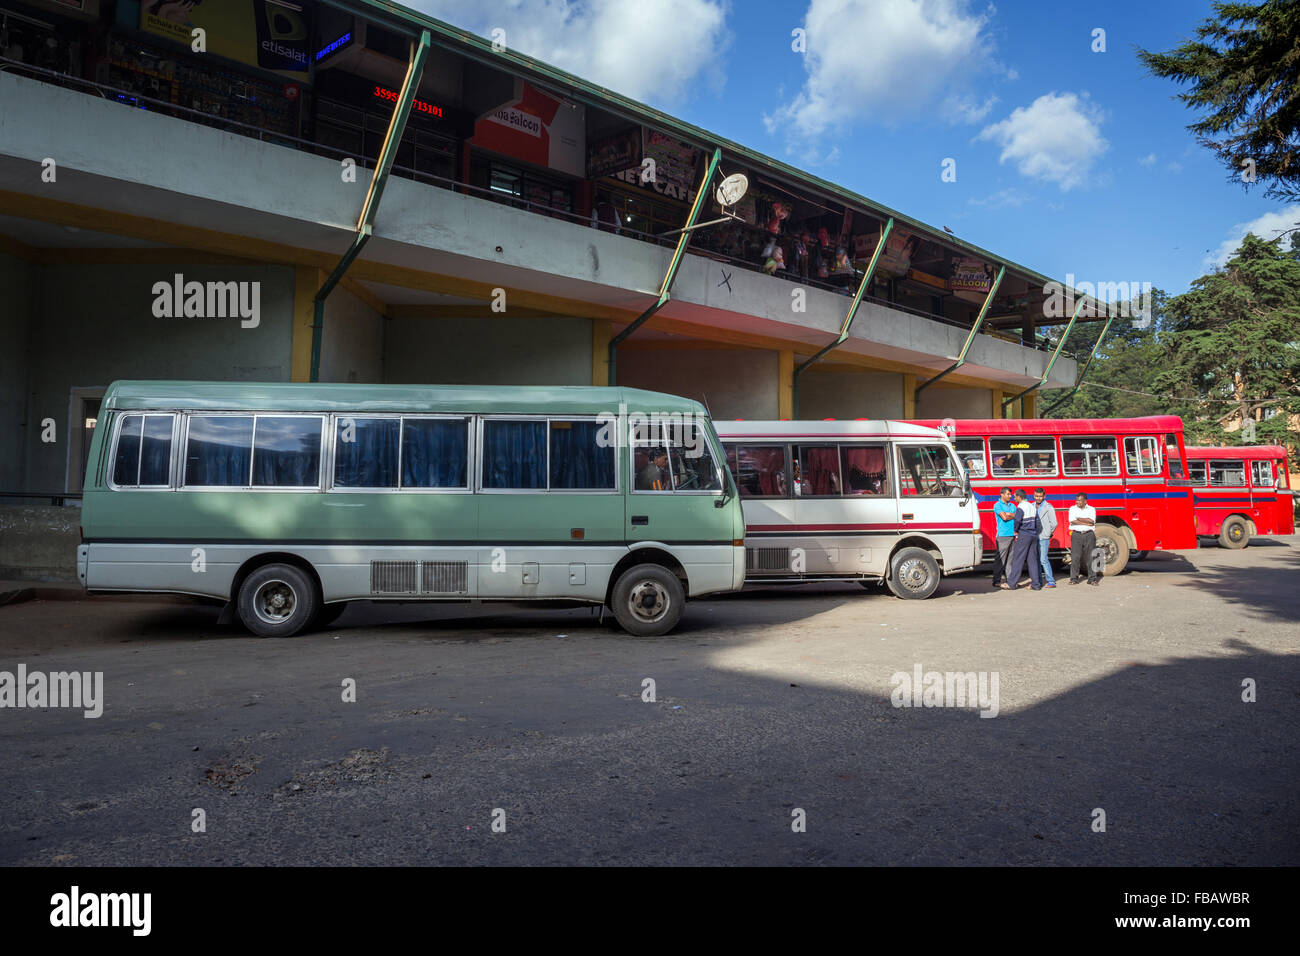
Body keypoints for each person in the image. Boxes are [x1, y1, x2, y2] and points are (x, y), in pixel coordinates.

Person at [1004, 489, 1043, 590]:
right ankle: (1036, 584)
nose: (1014, 498)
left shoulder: (1021, 506)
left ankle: (1011, 583)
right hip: (1033, 535)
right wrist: (1035, 532)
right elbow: (1038, 523)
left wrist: (1016, 530)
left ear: (1019, 497)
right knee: (1032, 560)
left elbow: (1017, 519)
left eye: (1015, 497)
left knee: (1018, 559)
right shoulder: (1032, 506)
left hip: (1024, 534)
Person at [1068, 492, 1101, 586]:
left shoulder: (1091, 509)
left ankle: (1092, 579)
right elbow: (1072, 520)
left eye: (1080, 500)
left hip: (1089, 535)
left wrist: (1079, 519)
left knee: (1091, 557)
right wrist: (1086, 522)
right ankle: (1074, 579)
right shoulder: (1072, 508)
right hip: (1076, 535)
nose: (1077, 502)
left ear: (1085, 501)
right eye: (1076, 500)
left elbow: (1092, 521)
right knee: (1075, 558)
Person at [990, 487, 1016, 588]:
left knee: (1010, 560)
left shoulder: (1012, 505)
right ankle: (996, 580)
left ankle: (1010, 581)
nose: (1010, 496)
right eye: (1008, 494)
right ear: (1002, 494)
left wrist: (1011, 515)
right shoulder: (997, 505)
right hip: (1003, 535)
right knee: (1001, 560)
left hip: (1012, 534)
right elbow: (1004, 518)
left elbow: (1017, 516)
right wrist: (1011, 515)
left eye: (1010, 494)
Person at [1033, 487, 1058, 588]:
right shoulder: (1031, 506)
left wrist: (1049, 532)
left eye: (1040, 496)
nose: (1038, 498)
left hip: (1043, 537)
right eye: (1036, 496)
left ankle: (1051, 580)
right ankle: (1038, 580)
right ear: (1034, 496)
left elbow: (1054, 523)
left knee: (1043, 559)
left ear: (1044, 496)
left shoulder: (1048, 507)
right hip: (1034, 537)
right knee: (1036, 560)